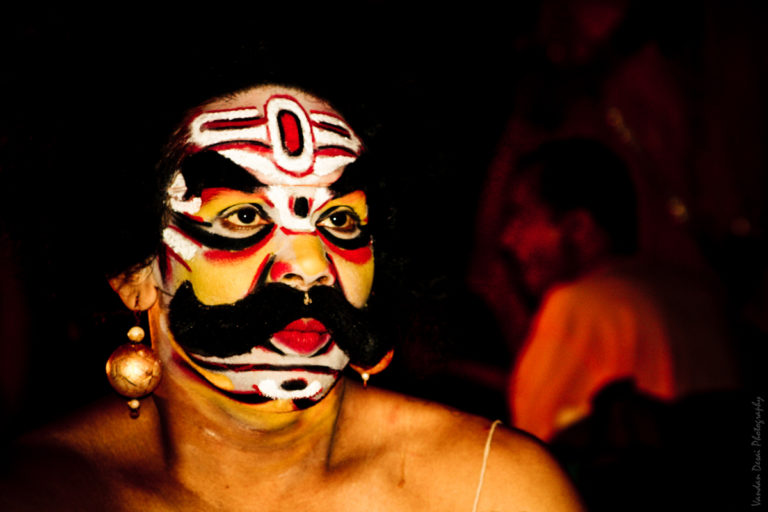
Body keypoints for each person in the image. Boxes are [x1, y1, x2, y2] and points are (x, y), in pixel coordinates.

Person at [0, 84, 584, 511]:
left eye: (340, 221)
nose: (310, 268)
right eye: (246, 216)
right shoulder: (37, 490)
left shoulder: (498, 490)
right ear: (136, 273)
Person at [500, 138, 740, 443]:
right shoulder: (702, 294)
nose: (508, 239)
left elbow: (532, 451)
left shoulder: (576, 306)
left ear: (578, 226)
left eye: (522, 216)